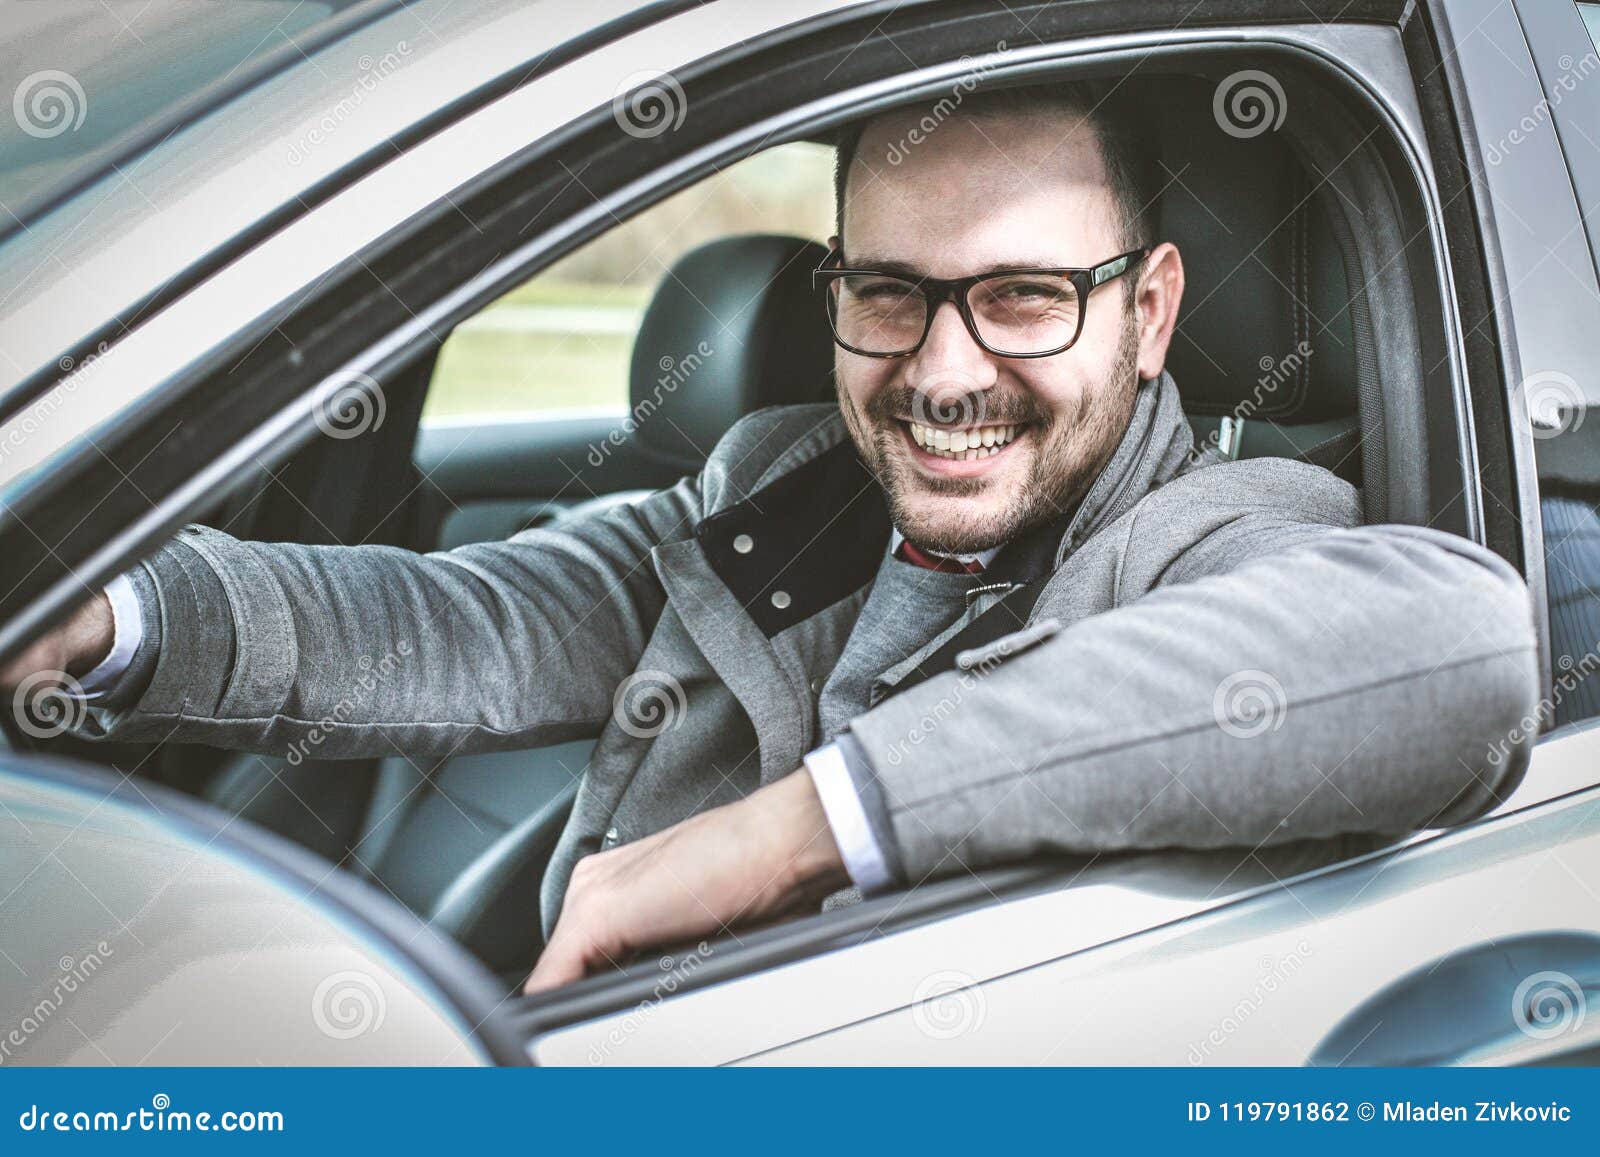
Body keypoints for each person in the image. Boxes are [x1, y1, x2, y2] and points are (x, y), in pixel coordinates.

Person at [0, 84, 1540, 995]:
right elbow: (464, 619)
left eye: (1021, 296)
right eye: (890, 293)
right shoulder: (774, 492)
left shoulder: (1219, 535)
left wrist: (792, 830)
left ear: (1147, 314)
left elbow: (1460, 647)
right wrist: (107, 606)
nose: (942, 371)